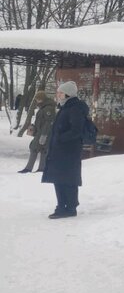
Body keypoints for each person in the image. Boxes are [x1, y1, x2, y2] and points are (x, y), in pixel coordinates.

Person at [41, 80, 88, 219]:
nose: (58, 94)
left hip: (68, 151)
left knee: (67, 179)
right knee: (59, 178)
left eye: (60, 92)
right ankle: (62, 206)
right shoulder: (65, 107)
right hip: (61, 151)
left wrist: (60, 138)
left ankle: (69, 208)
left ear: (68, 94)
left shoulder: (74, 108)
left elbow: (76, 130)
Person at [19, 91, 57, 173]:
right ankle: (41, 168)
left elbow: (48, 123)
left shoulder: (48, 108)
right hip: (41, 132)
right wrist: (34, 127)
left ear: (41, 99)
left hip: (44, 133)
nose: (36, 101)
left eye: (37, 99)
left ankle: (30, 168)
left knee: (34, 148)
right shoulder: (44, 107)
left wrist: (44, 135)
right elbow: (41, 121)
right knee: (42, 149)